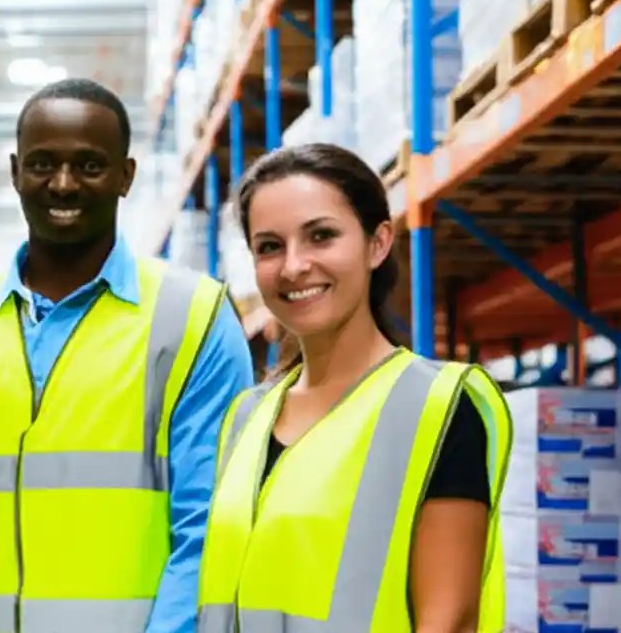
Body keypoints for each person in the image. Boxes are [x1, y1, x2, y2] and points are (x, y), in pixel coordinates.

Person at [0, 78, 256, 633]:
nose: (62, 184)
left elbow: (208, 524)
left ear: (125, 177)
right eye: (41, 164)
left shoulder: (193, 320)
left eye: (89, 165)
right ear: (15, 172)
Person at [196, 143, 511, 632]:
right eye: (270, 246)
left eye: (321, 236)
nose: (293, 266)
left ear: (378, 243)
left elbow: (449, 620)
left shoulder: (436, 406)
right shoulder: (247, 417)